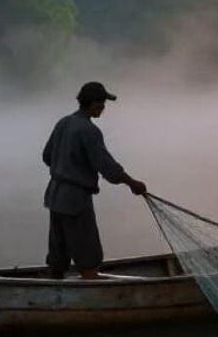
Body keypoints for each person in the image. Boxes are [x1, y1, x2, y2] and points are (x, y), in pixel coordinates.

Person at [42, 81, 146, 279]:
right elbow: (106, 166)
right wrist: (132, 183)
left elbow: (47, 156)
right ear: (92, 103)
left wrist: (66, 167)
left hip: (55, 195)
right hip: (75, 199)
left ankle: (53, 283)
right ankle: (91, 284)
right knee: (87, 252)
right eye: (101, 103)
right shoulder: (88, 130)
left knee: (58, 250)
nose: (103, 108)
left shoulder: (64, 122)